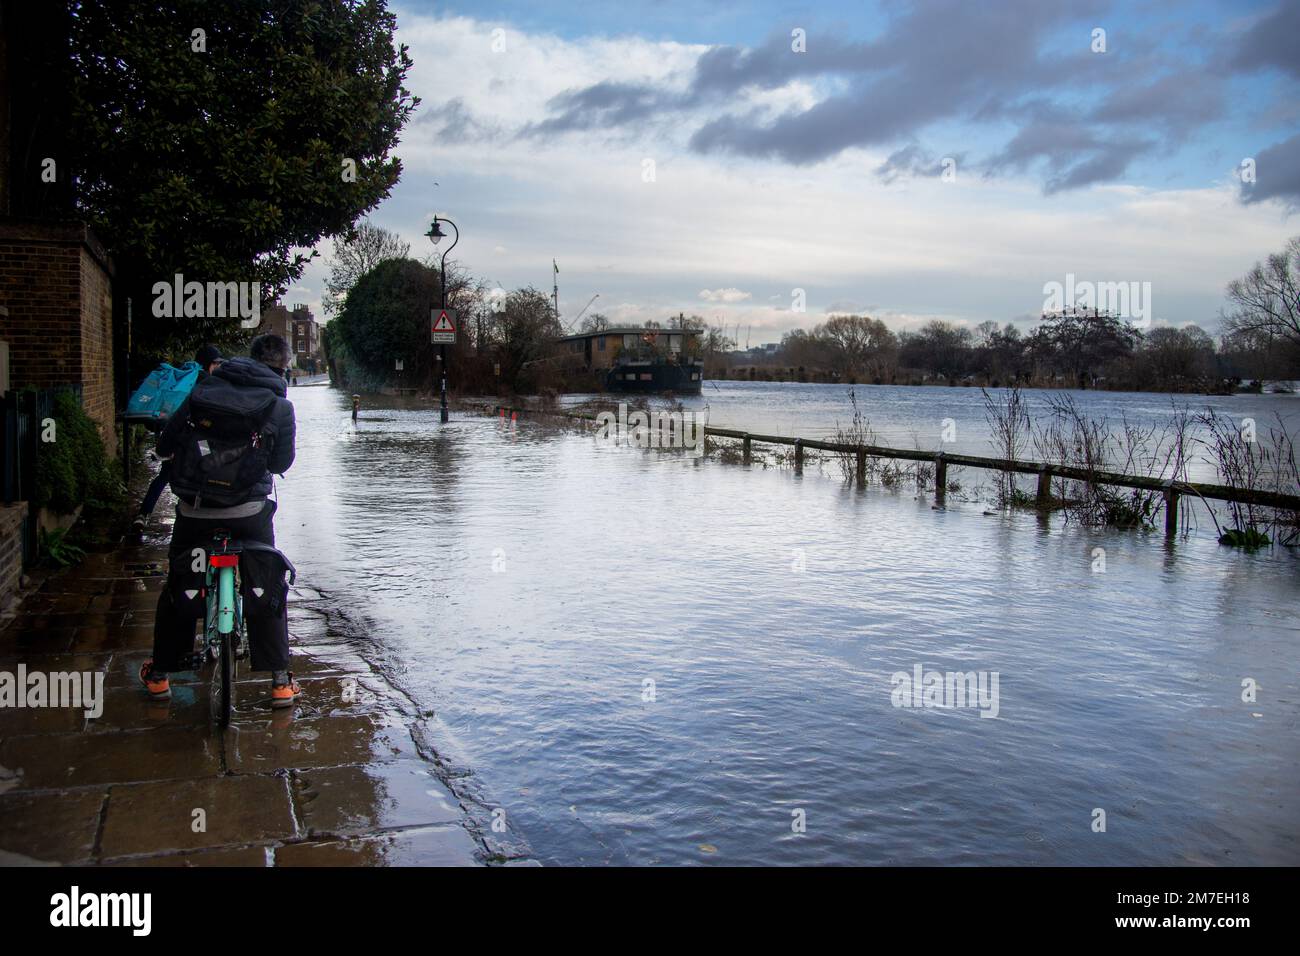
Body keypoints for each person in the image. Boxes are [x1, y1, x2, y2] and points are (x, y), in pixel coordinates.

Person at [139, 334, 300, 707]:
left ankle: (161, 674)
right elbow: (280, 464)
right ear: (282, 368)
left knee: (178, 581)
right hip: (248, 513)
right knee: (266, 582)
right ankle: (279, 681)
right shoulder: (279, 406)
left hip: (195, 509)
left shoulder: (203, 391)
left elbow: (168, 443)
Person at [131, 344, 223, 533]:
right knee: (206, 471)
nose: (218, 367)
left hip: (177, 438)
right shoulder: (207, 383)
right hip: (200, 441)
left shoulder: (186, 380)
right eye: (216, 363)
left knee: (164, 476)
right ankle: (201, 519)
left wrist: (166, 448)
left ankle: (143, 514)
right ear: (209, 364)